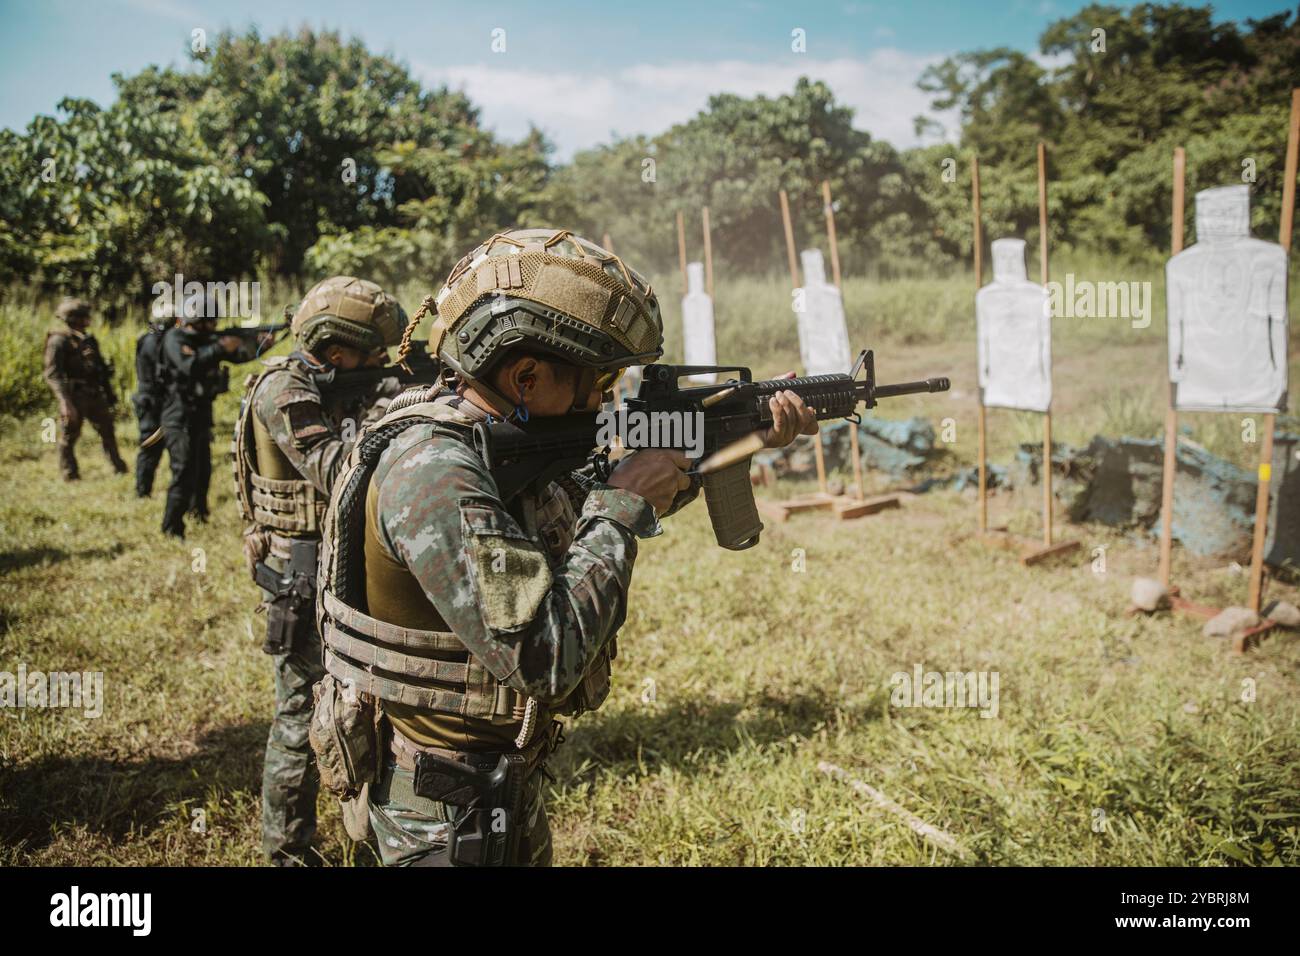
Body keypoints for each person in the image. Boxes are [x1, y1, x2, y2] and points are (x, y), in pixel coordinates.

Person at [312, 229, 816, 866]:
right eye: (599, 381)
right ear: (526, 375)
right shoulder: (435, 471)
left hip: (497, 784)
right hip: (440, 816)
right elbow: (547, 658)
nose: (607, 402)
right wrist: (625, 502)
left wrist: (733, 439)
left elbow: (585, 506)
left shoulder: (495, 440)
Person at [232, 276, 408, 866]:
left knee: (364, 707)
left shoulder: (331, 383)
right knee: (300, 720)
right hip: (301, 574)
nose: (382, 365)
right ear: (338, 352)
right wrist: (395, 414)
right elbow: (339, 472)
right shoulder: (283, 392)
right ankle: (286, 852)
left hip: (334, 567)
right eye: (375, 354)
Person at [157, 311, 261, 538]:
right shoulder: (175, 339)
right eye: (211, 321)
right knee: (183, 471)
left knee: (202, 468)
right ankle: (171, 527)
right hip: (179, 416)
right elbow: (190, 365)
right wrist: (221, 348)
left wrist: (261, 343)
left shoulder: (208, 342)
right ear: (199, 322)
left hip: (201, 414)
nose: (215, 326)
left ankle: (199, 512)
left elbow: (240, 356)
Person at [43, 297, 128, 481]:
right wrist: (65, 402)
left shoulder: (88, 340)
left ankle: (119, 467)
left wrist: (110, 393)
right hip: (74, 395)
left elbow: (100, 370)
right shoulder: (58, 341)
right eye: (85, 316)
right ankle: (70, 474)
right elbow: (53, 374)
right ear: (75, 318)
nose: (89, 319)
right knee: (69, 437)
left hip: (94, 394)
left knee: (108, 430)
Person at [131, 301, 175, 497]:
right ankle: (142, 491)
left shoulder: (146, 339)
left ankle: (143, 490)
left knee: (150, 447)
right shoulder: (160, 342)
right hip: (154, 401)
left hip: (149, 400)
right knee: (150, 446)